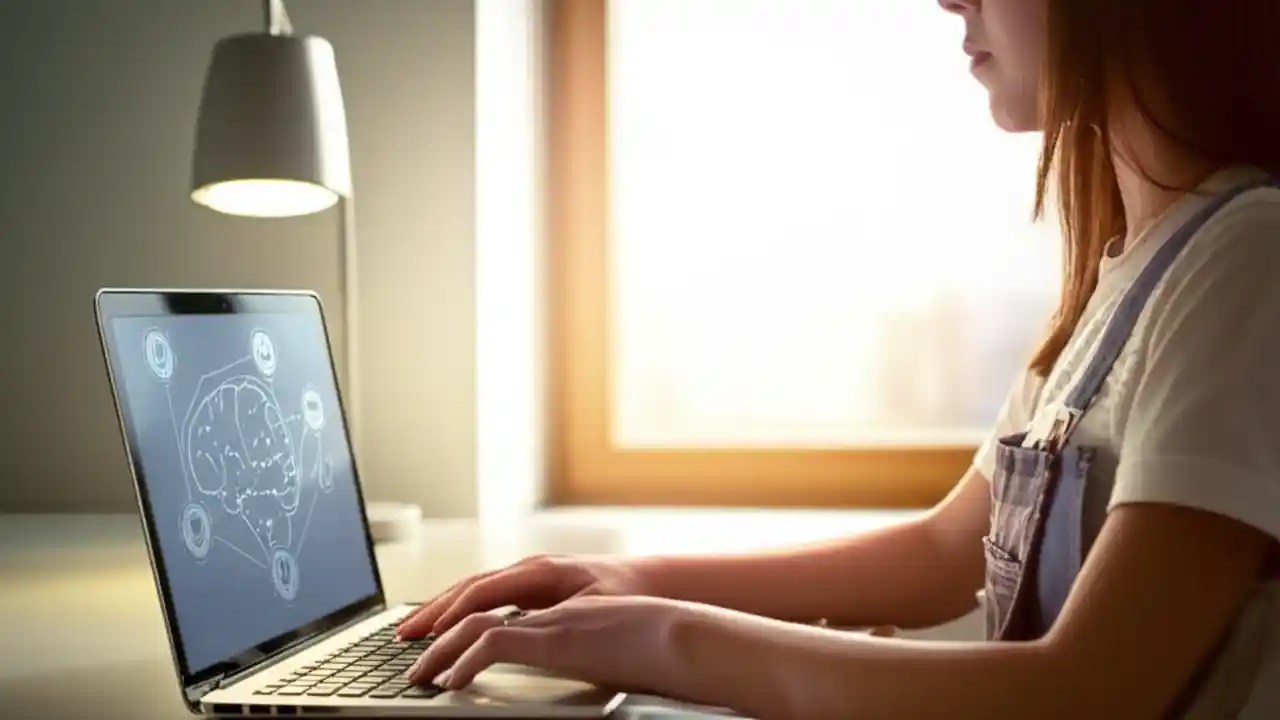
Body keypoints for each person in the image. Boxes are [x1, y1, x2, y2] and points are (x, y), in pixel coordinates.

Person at [397, 0, 1280, 716]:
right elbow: (946, 551)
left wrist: (666, 639)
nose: (950, 1)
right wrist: (628, 578)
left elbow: (1089, 689)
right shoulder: (1126, 273)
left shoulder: (1247, 257)